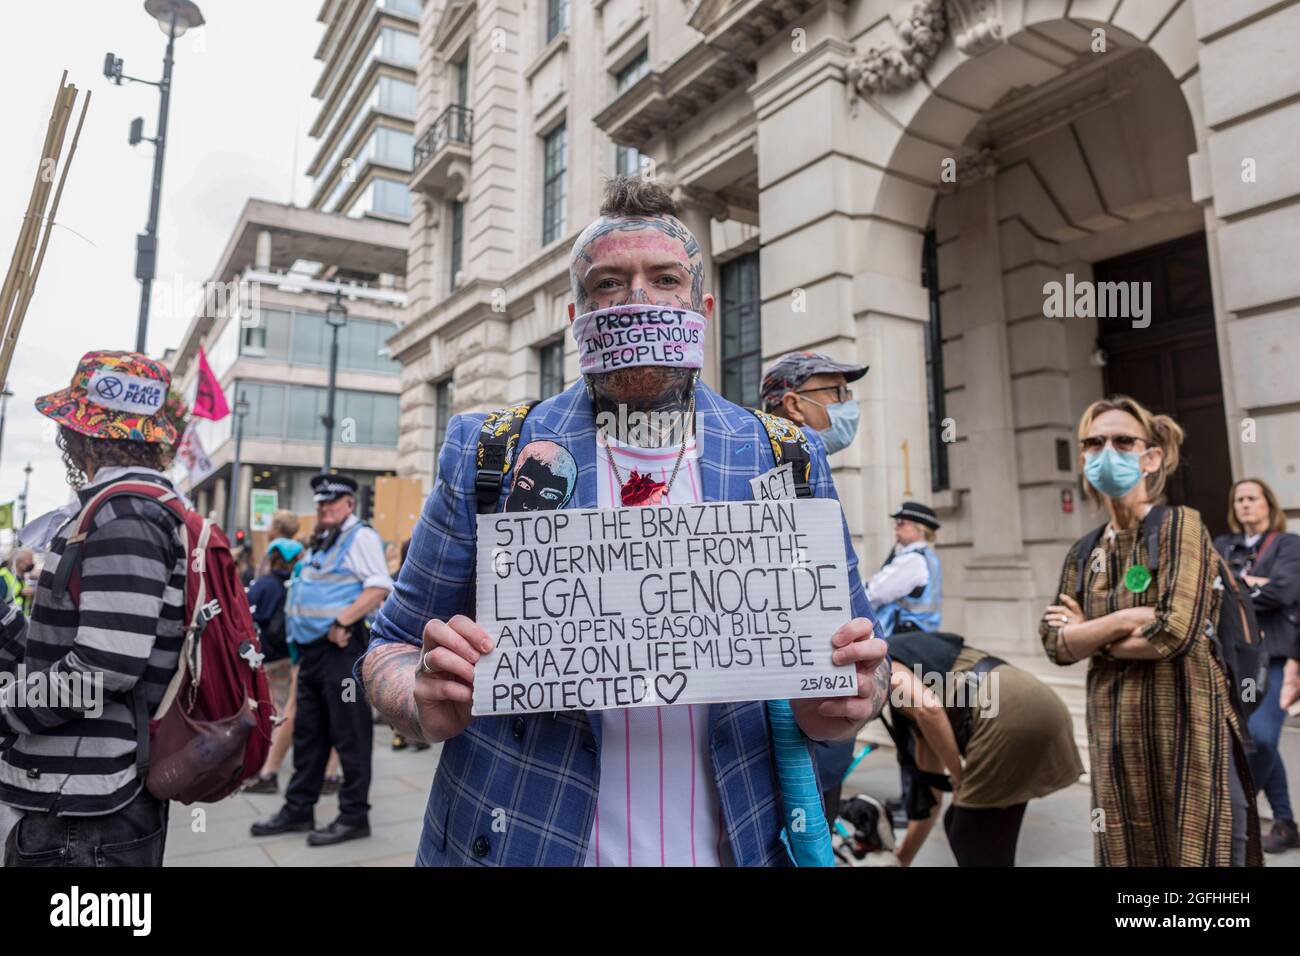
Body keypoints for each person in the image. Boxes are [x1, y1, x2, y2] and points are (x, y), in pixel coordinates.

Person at [358, 175, 889, 866]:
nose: (636, 300)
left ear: (700, 308)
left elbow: (860, 662)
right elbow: (389, 646)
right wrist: (419, 692)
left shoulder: (784, 456)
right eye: (609, 284)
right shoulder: (489, 452)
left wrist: (847, 698)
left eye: (663, 279)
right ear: (576, 314)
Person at [1040, 396, 1262, 866]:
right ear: (1083, 456)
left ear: (1151, 456)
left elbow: (1174, 634)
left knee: (1206, 854)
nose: (1107, 452)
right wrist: (1125, 620)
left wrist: (1091, 635)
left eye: (1123, 441)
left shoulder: (1181, 526)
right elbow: (1055, 644)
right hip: (1117, 735)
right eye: (1095, 442)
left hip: (1189, 725)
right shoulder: (1083, 552)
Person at [0, 350, 186, 867]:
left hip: (86, 812)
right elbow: (55, 649)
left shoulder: (126, 515)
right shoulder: (114, 508)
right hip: (74, 800)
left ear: (79, 435)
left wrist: (5, 710)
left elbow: (105, 668)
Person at [250, 473, 393, 847]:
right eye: (320, 504)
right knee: (308, 733)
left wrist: (341, 621)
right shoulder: (323, 540)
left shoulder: (359, 536)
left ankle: (354, 816)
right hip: (313, 654)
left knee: (350, 734)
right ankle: (299, 809)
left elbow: (379, 585)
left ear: (349, 503)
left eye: (332, 502)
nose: (324, 508)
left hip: (340, 651)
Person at [759, 351, 871, 826]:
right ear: (794, 404)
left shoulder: (808, 465)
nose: (848, 405)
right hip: (787, 729)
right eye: (837, 393)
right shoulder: (776, 473)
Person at [884, 630, 1081, 866]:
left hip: (1005, 715)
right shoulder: (919, 659)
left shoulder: (881, 663)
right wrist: (901, 860)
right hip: (1037, 701)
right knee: (989, 834)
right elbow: (931, 797)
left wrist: (958, 777)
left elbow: (929, 708)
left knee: (966, 832)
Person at [1214, 477, 1300, 853]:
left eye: (1253, 497)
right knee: (1254, 737)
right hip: (1234, 657)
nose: (1246, 504)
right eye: (1239, 499)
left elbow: (1286, 591)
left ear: (1269, 503)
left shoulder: (1288, 544)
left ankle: (1240, 815)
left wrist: (1237, 585)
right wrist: (1255, 585)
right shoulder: (1221, 544)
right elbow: (1213, 591)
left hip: (1276, 658)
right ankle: (1284, 821)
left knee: (1261, 737)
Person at [243, 537, 305, 794]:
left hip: (263, 658)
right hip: (287, 656)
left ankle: (266, 764)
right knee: (282, 706)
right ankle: (270, 762)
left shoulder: (263, 584)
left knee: (271, 709)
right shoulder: (294, 584)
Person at [760, 350, 867, 456]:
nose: (849, 401)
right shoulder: (759, 469)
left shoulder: (811, 468)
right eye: (837, 391)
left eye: (846, 391)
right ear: (793, 406)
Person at [869, 502, 943, 638]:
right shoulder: (927, 556)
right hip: (917, 635)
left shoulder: (913, 560)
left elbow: (876, 593)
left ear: (919, 529)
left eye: (901, 522)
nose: (896, 526)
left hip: (903, 637)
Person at [0, 549, 34, 616]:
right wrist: (20, 592)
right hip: (6, 622)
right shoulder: (3, 577)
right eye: (30, 559)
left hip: (18, 622)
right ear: (19, 561)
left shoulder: (21, 578)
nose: (32, 563)